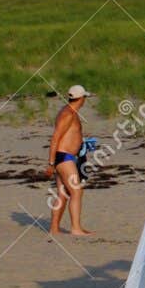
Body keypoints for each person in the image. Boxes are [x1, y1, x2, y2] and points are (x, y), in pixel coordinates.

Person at [48, 85, 93, 238]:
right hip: (64, 157)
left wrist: (82, 144)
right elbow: (55, 138)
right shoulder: (68, 114)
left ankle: (54, 229)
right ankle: (76, 228)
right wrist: (51, 163)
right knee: (76, 191)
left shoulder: (69, 112)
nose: (85, 100)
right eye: (85, 97)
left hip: (66, 157)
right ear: (81, 99)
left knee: (63, 194)